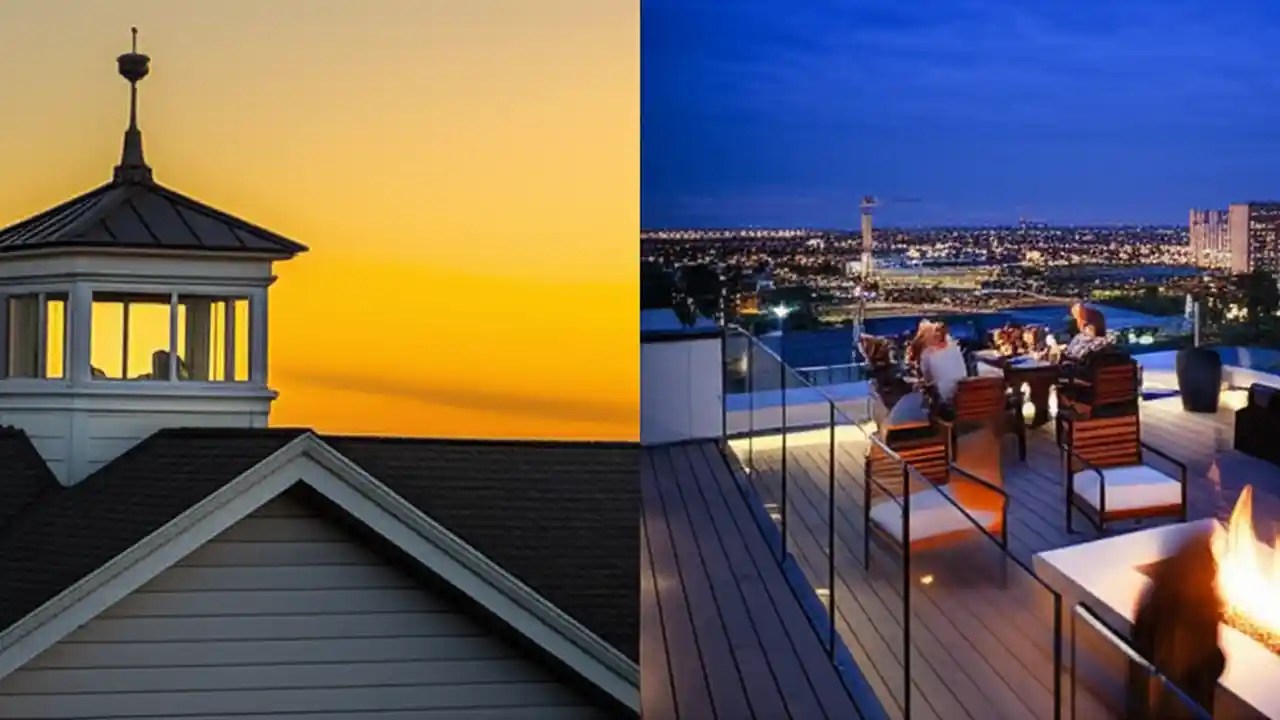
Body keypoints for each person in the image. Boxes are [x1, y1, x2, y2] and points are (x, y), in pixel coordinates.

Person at [1127, 531, 1225, 719]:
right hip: (1183, 706)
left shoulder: (1157, 597)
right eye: (1210, 562)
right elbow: (1197, 665)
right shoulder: (1196, 610)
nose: (1215, 567)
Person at [917, 320, 968, 411]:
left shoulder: (927, 354)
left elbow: (928, 379)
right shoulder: (954, 347)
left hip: (946, 397)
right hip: (963, 391)